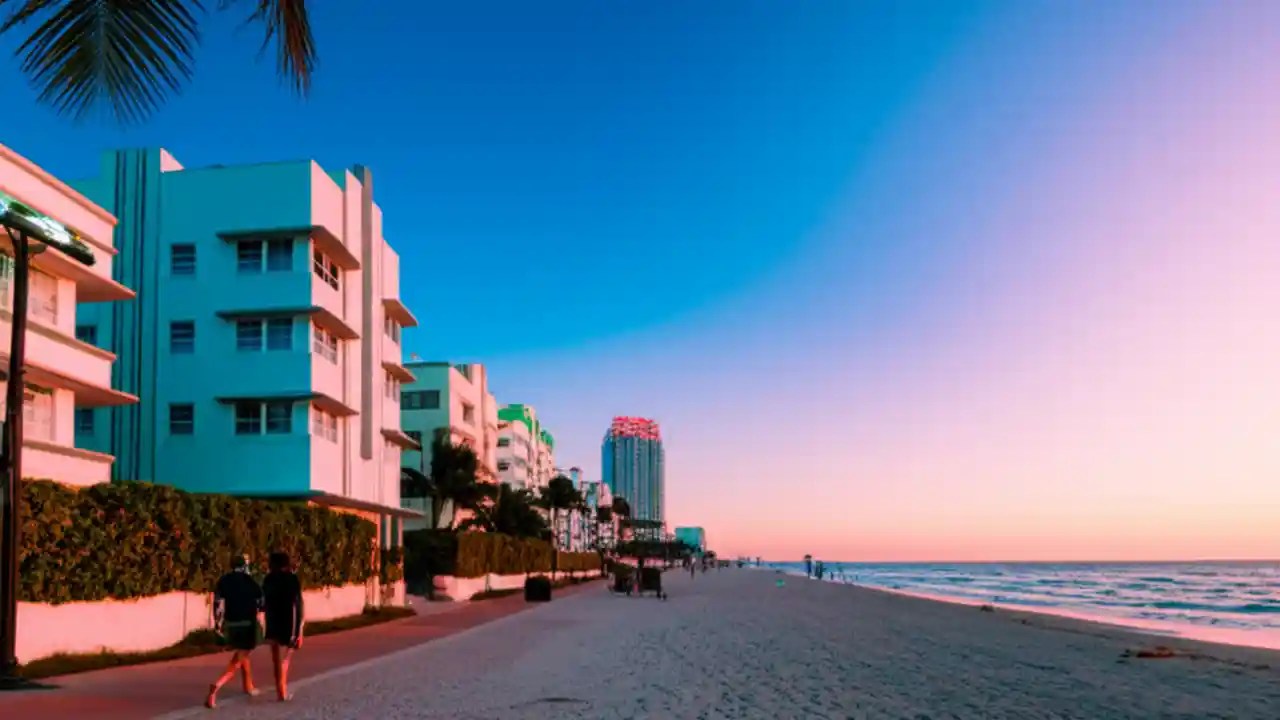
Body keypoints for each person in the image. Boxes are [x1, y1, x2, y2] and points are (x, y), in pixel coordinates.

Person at [207, 554, 263, 709]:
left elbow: (218, 605)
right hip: (248, 624)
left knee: (242, 653)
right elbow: (261, 602)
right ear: (244, 566)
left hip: (231, 624)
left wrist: (218, 625)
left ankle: (248, 686)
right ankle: (217, 685)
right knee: (238, 659)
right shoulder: (250, 581)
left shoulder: (224, 581)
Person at [262, 551, 305, 702]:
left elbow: (263, 601)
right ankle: (283, 691)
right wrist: (300, 629)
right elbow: (298, 604)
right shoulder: (292, 579)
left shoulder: (268, 579)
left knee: (275, 659)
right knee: (286, 657)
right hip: (289, 621)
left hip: (272, 620)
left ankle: (280, 690)